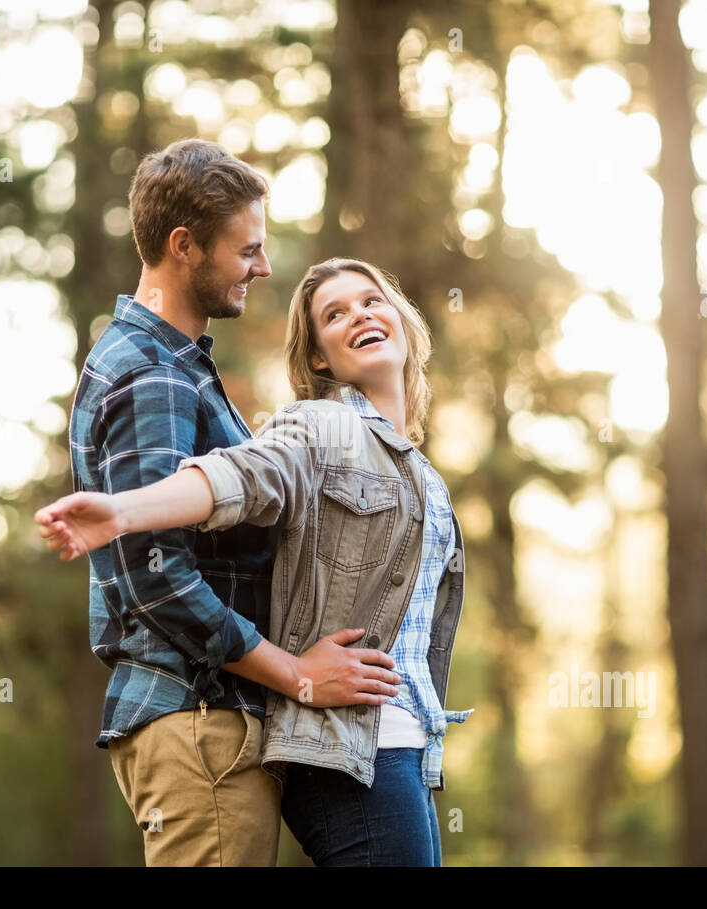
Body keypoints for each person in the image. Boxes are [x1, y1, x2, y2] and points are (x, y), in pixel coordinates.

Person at [39, 256, 472, 866]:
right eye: (335, 314)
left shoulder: (422, 473)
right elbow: (239, 475)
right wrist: (127, 510)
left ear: (401, 319)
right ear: (319, 358)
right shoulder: (319, 425)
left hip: (406, 748)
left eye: (371, 301)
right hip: (351, 749)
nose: (360, 316)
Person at [61, 139, 402, 868]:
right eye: (246, 250)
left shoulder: (177, 365)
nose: (263, 266)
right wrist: (298, 674)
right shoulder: (154, 374)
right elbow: (156, 578)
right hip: (197, 721)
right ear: (184, 247)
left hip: (208, 722)